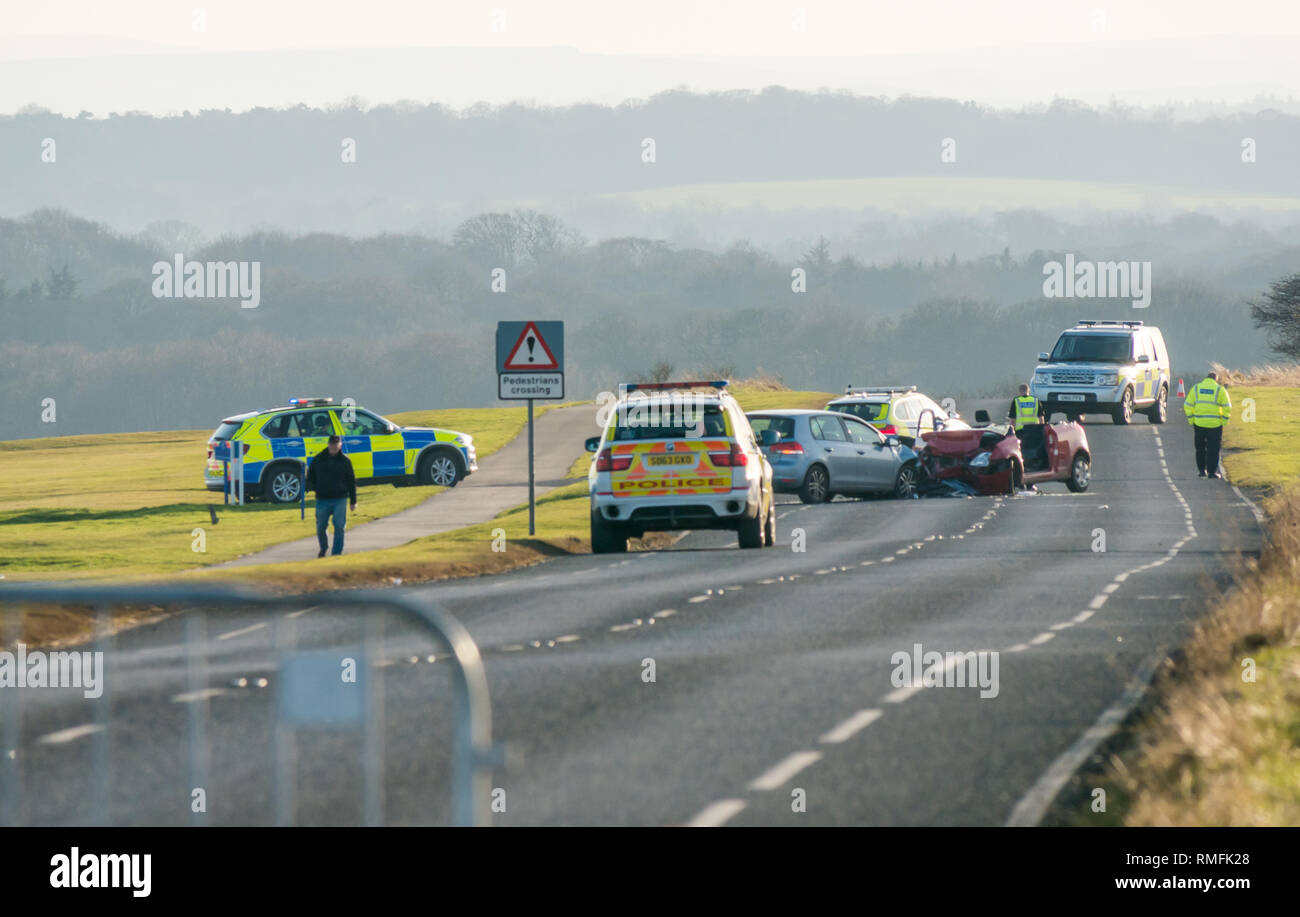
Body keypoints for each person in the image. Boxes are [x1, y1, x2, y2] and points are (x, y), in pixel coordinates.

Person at [306, 434, 357, 556]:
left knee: (339, 526)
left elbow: (351, 481)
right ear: (328, 445)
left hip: (340, 498)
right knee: (321, 527)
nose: (334, 447)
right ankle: (323, 548)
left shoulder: (345, 461)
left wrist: (353, 501)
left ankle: (336, 553)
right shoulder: (318, 459)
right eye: (332, 445)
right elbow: (310, 476)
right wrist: (311, 487)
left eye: (336, 445)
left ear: (340, 446)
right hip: (322, 499)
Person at [1184, 370, 1231, 478]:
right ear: (1216, 379)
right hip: (1215, 424)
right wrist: (1224, 421)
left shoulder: (1196, 388)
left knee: (1200, 448)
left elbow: (1188, 405)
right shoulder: (1220, 390)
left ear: (1206, 378)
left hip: (1199, 423)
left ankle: (1201, 470)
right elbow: (1227, 407)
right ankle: (1211, 472)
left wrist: (1191, 419)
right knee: (1213, 449)